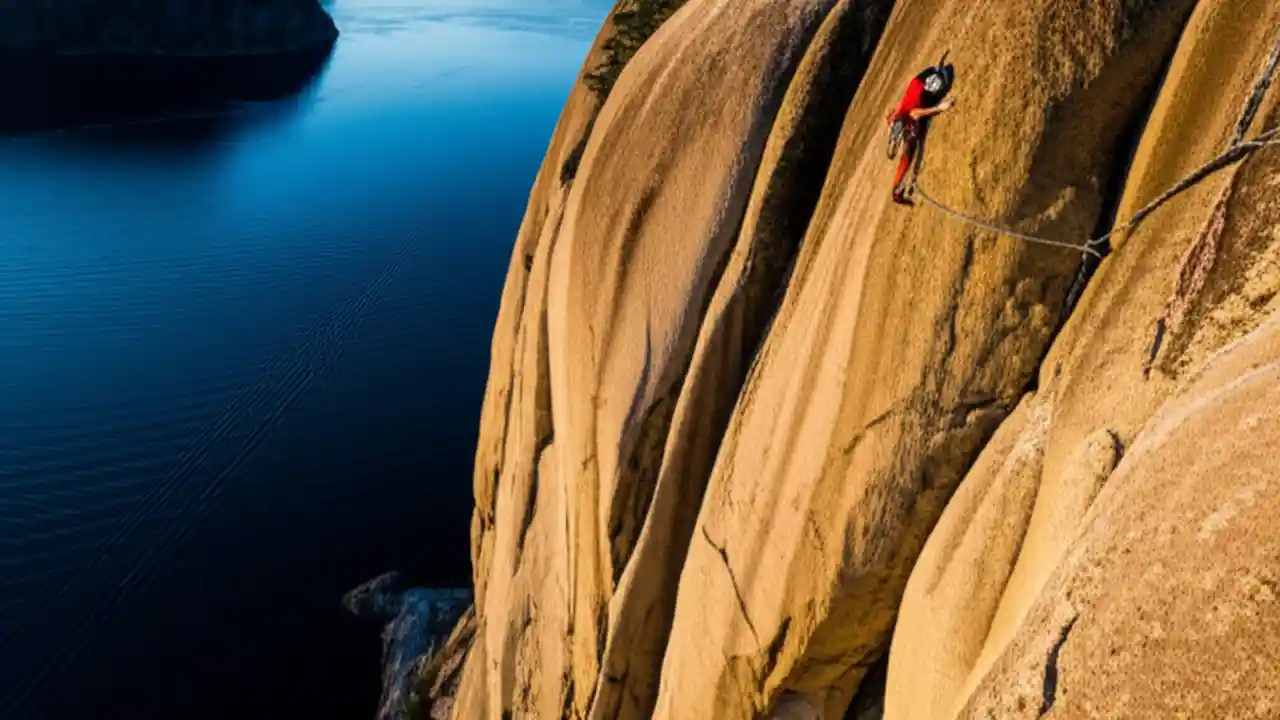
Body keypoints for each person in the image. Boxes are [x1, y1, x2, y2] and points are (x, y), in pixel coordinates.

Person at [887, 61, 956, 205]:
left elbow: (917, 112)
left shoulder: (915, 102)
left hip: (913, 107)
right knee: (908, 154)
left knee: (909, 154)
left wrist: (940, 108)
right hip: (910, 111)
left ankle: (896, 191)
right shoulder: (917, 99)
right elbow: (918, 113)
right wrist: (941, 108)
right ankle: (896, 191)